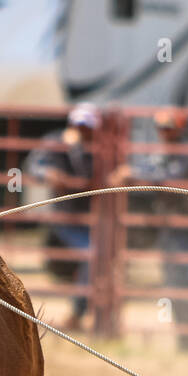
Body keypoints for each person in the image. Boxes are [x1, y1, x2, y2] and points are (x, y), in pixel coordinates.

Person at [127, 109, 188, 353]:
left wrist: (134, 175)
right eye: (162, 128)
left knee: (178, 283)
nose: (165, 133)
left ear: (179, 129)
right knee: (176, 284)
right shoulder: (166, 154)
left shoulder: (187, 154)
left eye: (169, 128)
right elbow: (153, 172)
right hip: (170, 225)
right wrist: (136, 174)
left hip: (184, 225)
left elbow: (169, 178)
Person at [26, 103, 112, 330]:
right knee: (92, 255)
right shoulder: (57, 142)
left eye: (87, 127)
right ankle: (78, 312)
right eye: (79, 125)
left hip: (93, 218)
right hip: (65, 217)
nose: (82, 130)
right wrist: (49, 174)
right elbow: (34, 165)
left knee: (99, 257)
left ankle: (90, 312)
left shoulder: (100, 149)